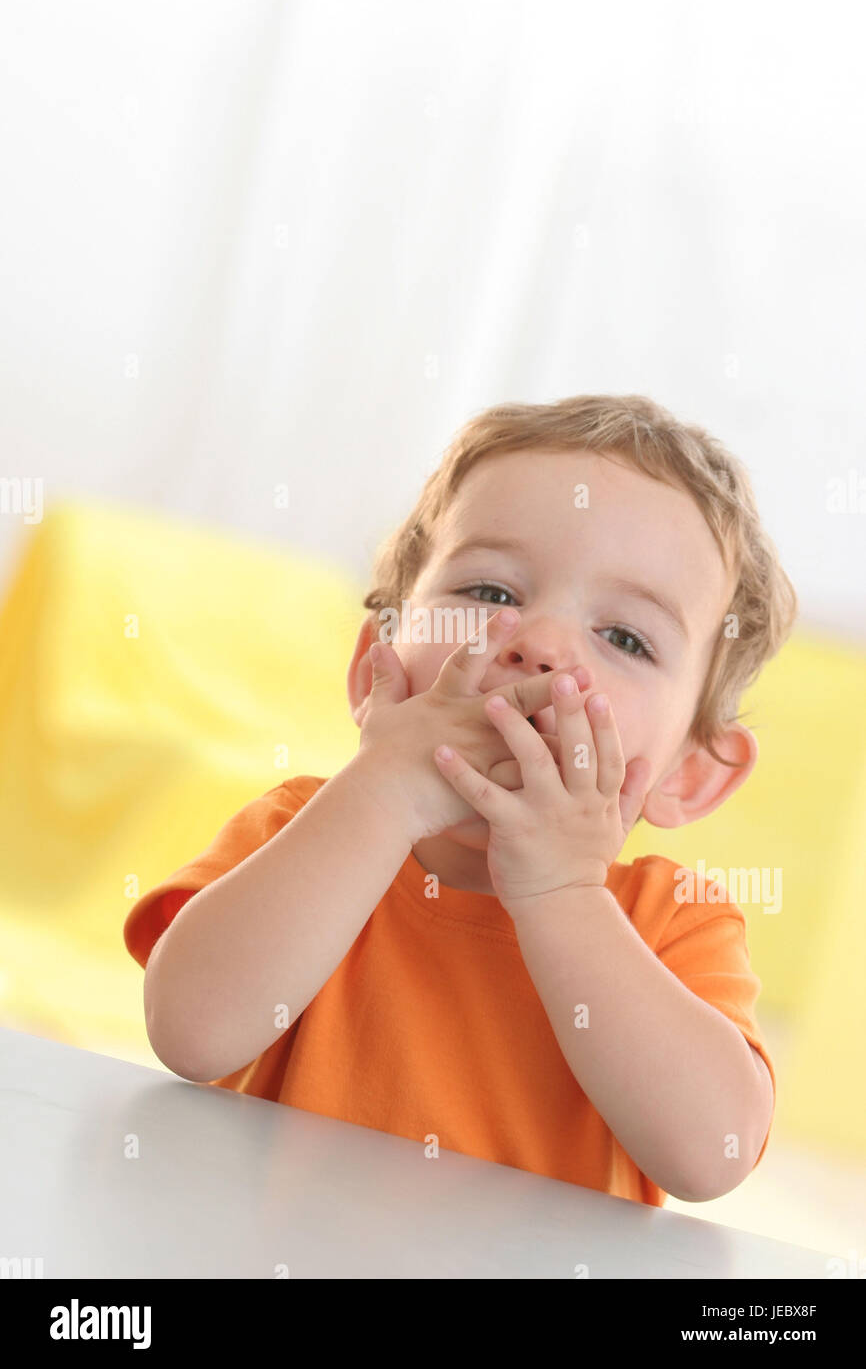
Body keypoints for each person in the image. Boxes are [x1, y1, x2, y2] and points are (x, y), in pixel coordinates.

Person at [124, 393, 797, 1207]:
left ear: (689, 773)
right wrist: (387, 794)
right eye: (488, 591)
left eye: (625, 638)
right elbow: (191, 1033)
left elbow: (713, 1155)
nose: (538, 642)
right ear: (378, 665)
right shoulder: (306, 830)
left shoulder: (673, 922)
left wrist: (563, 893)